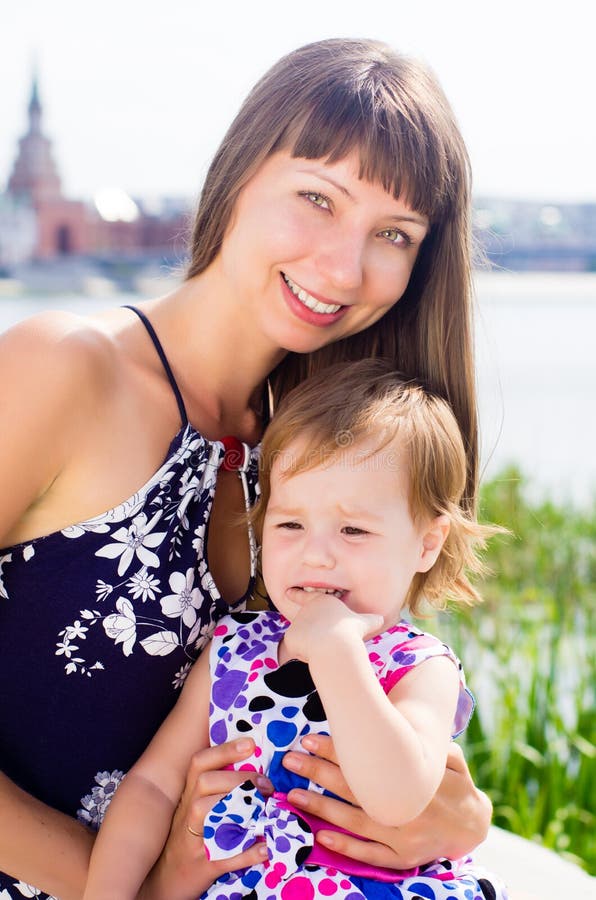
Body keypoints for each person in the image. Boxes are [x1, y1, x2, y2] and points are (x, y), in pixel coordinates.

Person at [0, 38, 491, 900]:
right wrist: (128, 887)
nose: (344, 265)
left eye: (393, 234)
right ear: (238, 176)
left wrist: (459, 816)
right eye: (316, 198)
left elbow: (342, 706)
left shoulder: (317, 446)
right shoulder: (65, 369)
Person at [83, 359, 508, 900]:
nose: (316, 555)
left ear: (427, 543)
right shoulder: (233, 651)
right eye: (289, 524)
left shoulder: (418, 668)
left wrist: (337, 653)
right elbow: (152, 785)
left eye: (353, 529)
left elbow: (398, 797)